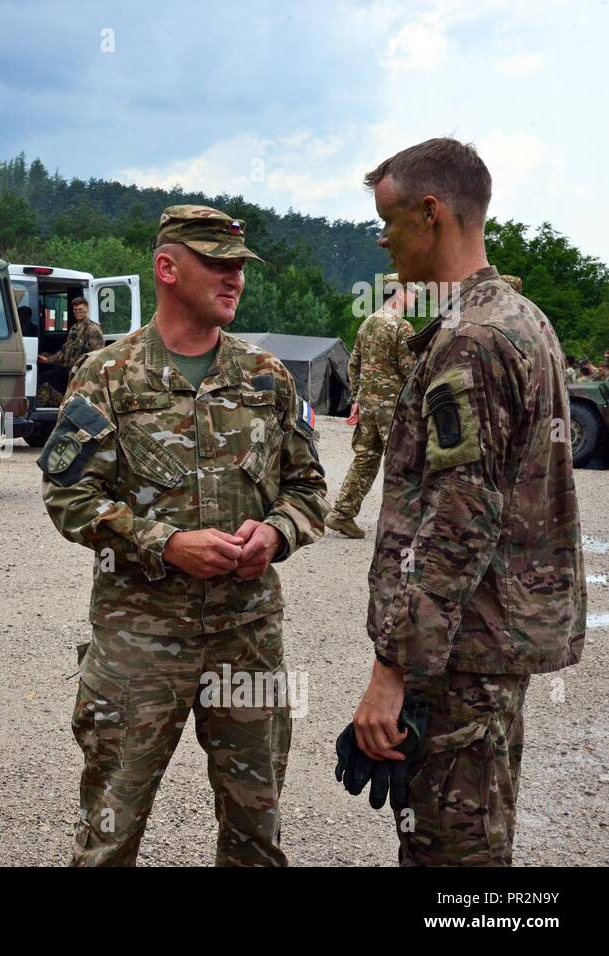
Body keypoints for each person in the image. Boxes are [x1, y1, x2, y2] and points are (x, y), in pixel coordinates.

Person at [40, 205, 329, 866]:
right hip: (139, 645)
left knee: (256, 836)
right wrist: (164, 542)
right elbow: (68, 496)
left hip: (246, 637)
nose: (235, 279)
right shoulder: (108, 376)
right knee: (109, 834)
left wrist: (278, 534)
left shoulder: (267, 376)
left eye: (239, 268)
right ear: (167, 268)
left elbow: (310, 489)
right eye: (218, 265)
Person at [351, 138, 584, 865]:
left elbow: (459, 519)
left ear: (431, 213)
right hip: (483, 646)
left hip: (460, 657)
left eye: (388, 220)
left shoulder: (471, 341)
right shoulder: (520, 317)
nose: (383, 239)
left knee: (455, 861)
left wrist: (394, 670)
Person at [325, 274, 415, 537]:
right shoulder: (402, 327)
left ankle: (342, 513)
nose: (417, 296)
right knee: (402, 463)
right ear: (400, 293)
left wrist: (358, 399)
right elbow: (410, 371)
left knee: (365, 459)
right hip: (394, 408)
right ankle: (401, 524)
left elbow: (354, 364)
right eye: (413, 291)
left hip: (369, 406)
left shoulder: (368, 323)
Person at [36, 295, 103, 407]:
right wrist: (47, 360)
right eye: (75, 310)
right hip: (66, 370)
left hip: (80, 372)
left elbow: (97, 355)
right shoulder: (74, 328)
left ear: (87, 309)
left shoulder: (93, 329)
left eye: (80, 309)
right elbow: (64, 351)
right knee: (43, 380)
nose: (77, 312)